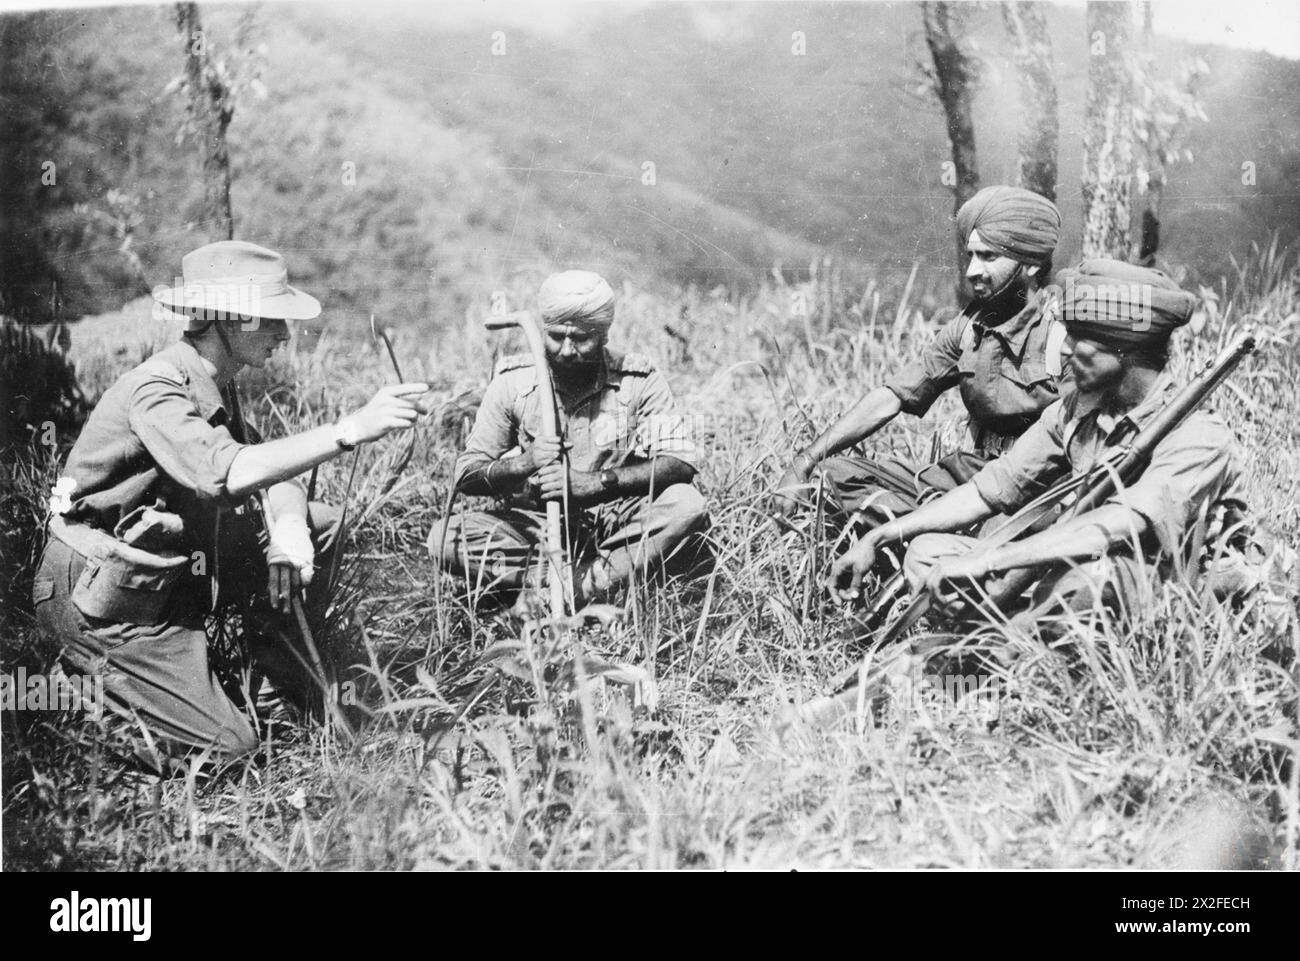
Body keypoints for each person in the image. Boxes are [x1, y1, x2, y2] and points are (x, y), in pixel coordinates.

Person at [31, 241, 427, 768]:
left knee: (318, 524)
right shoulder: (159, 390)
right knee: (230, 750)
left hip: (166, 570)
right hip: (105, 596)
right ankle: (81, 694)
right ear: (235, 320)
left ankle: (267, 677)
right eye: (272, 321)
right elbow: (229, 473)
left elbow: (267, 464)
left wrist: (289, 529)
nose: (284, 336)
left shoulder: (215, 382)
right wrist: (350, 429)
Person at [829, 260, 1251, 641]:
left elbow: (1122, 522)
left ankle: (1005, 649)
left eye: (1082, 339)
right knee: (929, 553)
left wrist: (992, 563)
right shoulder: (1076, 412)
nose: (1065, 350)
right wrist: (881, 536)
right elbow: (989, 489)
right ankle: (1010, 636)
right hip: (1076, 562)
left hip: (1171, 581)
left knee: (1085, 583)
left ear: (1127, 352)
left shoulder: (1198, 435)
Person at [772, 186, 1066, 556]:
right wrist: (803, 463)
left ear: (1032, 265)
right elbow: (893, 395)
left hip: (1039, 487)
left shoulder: (1066, 334)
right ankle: (932, 534)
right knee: (835, 474)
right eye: (971, 255)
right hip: (973, 473)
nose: (974, 270)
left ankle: (938, 543)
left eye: (989, 257)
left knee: (1000, 529)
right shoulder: (969, 327)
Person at [428, 270, 710, 608]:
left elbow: (680, 463)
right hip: (537, 526)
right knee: (444, 540)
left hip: (619, 522)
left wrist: (594, 484)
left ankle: (575, 587)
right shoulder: (513, 382)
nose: (567, 351)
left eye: (581, 339)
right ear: (544, 331)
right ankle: (576, 579)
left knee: (687, 507)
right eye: (557, 337)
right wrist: (525, 462)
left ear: (604, 335)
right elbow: (467, 474)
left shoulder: (639, 378)